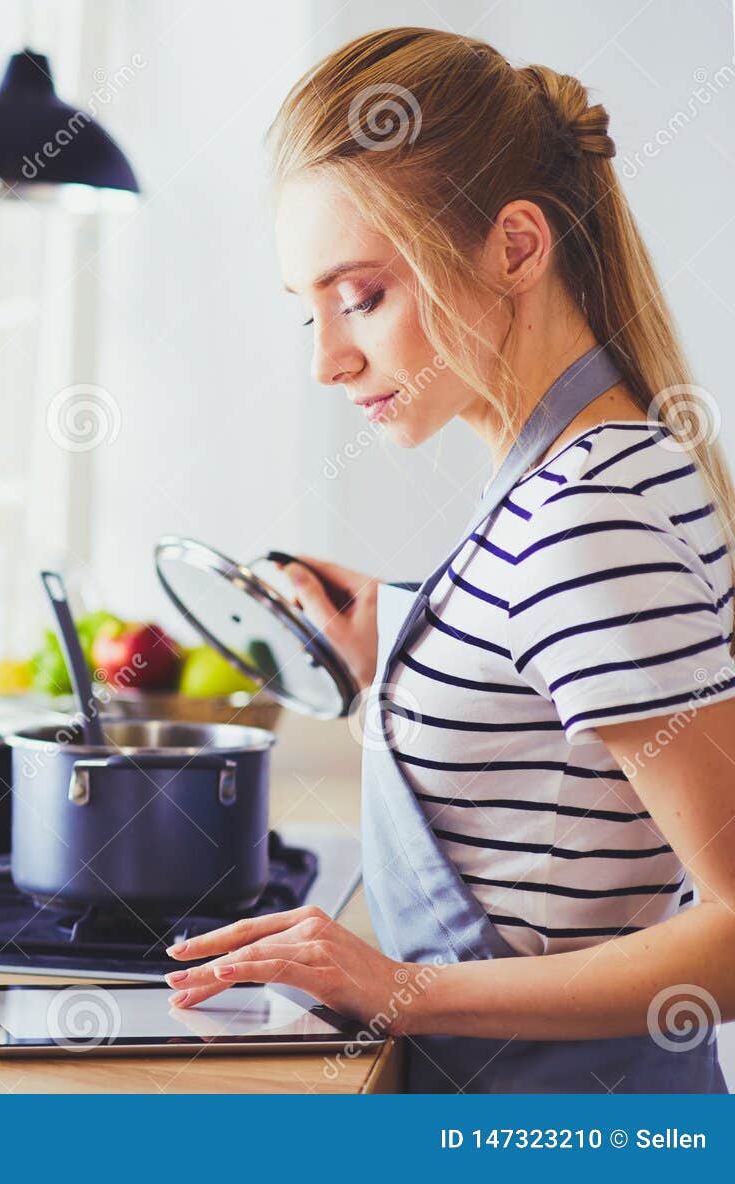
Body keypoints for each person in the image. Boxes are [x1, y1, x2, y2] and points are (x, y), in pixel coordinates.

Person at [165, 27, 734, 1092]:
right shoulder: (587, 471)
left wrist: (398, 987)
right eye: (310, 315)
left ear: (515, 247)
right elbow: (559, 785)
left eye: (362, 297)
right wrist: (406, 653)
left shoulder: (585, 513)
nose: (331, 360)